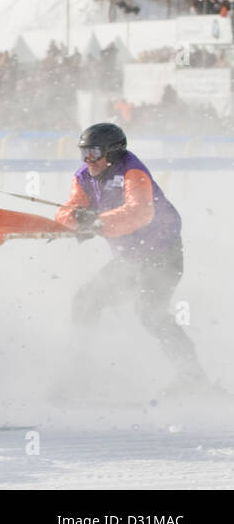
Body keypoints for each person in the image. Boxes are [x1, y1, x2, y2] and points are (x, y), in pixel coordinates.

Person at [55, 123, 208, 390]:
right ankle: (80, 372)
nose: (88, 159)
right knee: (85, 300)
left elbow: (140, 213)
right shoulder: (84, 175)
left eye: (94, 152)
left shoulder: (132, 172)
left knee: (150, 313)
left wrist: (97, 222)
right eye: (84, 153)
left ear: (113, 152)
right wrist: (75, 220)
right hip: (129, 258)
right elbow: (69, 209)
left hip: (162, 255)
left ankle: (193, 377)